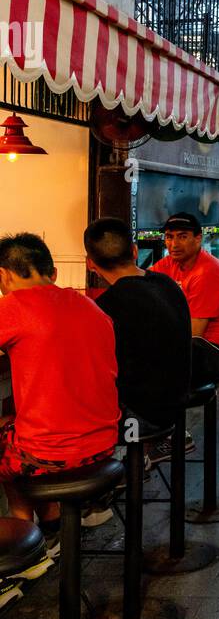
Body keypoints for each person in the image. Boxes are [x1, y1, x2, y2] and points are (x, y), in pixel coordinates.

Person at [0, 234, 119, 567]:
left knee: (7, 448)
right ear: (49, 270)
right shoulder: (88, 304)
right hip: (104, 443)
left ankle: (27, 545)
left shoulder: (13, 306)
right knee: (19, 428)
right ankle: (51, 527)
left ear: (5, 274)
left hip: (56, 455)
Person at [83, 218, 192, 427]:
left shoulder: (105, 306)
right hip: (177, 403)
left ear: (90, 264)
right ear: (134, 252)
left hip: (141, 414)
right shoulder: (166, 283)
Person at [152, 213, 219, 380]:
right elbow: (140, 281)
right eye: (169, 237)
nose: (174, 244)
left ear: (198, 239)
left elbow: (195, 334)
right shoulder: (172, 262)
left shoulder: (208, 272)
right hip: (198, 347)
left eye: (182, 237)